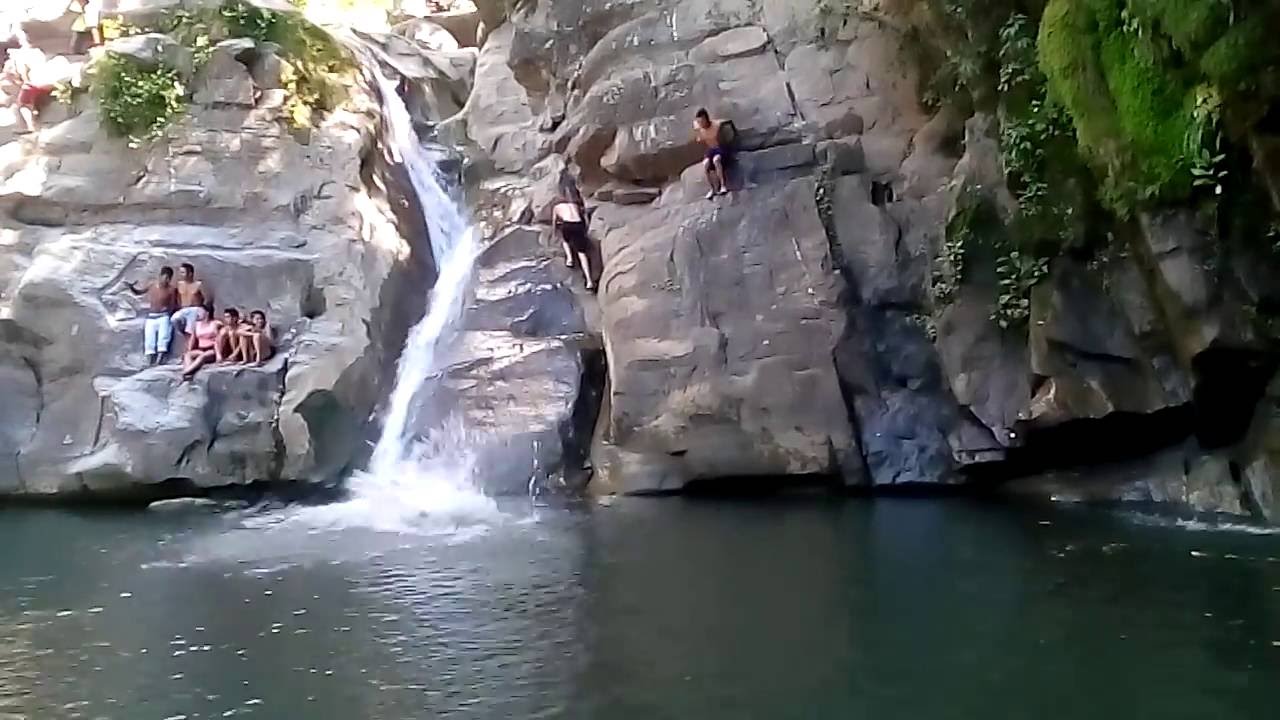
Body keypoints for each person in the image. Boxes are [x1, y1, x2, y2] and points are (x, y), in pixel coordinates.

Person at [551, 174, 596, 291]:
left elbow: (555, 222)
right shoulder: (574, 205)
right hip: (578, 224)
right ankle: (589, 281)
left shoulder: (557, 207)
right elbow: (583, 218)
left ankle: (570, 258)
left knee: (565, 239)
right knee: (582, 254)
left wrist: (554, 232)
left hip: (567, 224)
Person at [126, 266, 179, 366]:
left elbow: (173, 304)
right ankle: (149, 361)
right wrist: (131, 288)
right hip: (151, 316)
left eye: (169, 278)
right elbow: (139, 292)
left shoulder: (171, 289)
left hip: (163, 316)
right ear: (160, 276)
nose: (166, 280)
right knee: (149, 338)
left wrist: (169, 312)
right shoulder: (152, 285)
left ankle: (159, 361)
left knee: (163, 337)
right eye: (165, 277)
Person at [9, 40, 51, 134]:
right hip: (47, 82)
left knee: (22, 105)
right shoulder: (38, 52)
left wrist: (25, 82)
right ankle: (35, 122)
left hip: (33, 83)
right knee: (32, 104)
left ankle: (30, 126)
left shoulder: (21, 57)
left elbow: (24, 72)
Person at [693, 108, 732, 199]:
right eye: (699, 122)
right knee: (705, 164)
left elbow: (725, 123)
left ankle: (723, 185)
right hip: (711, 149)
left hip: (720, 148)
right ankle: (712, 189)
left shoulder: (716, 125)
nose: (701, 124)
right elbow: (699, 139)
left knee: (716, 160)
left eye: (702, 121)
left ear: (706, 119)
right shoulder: (700, 129)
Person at [170, 263, 208, 351]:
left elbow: (206, 298)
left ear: (190, 273)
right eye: (180, 272)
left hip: (196, 308)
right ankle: (187, 339)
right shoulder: (179, 284)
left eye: (183, 272)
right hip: (183, 309)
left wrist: (205, 311)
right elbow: (177, 298)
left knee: (190, 328)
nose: (181, 275)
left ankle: (188, 350)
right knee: (174, 319)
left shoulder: (198, 284)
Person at [180, 305, 222, 382]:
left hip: (212, 349)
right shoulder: (196, 324)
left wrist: (219, 354)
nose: (198, 314)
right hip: (200, 348)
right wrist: (189, 350)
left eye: (200, 311)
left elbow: (218, 339)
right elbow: (193, 339)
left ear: (207, 313)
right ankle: (189, 371)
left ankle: (185, 372)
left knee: (202, 357)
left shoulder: (215, 323)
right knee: (188, 355)